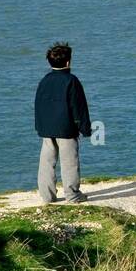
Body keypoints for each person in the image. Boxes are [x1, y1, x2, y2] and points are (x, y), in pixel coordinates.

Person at [34, 42, 92, 204]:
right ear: (68, 62)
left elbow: (38, 105)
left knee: (46, 162)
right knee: (69, 163)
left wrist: (39, 126)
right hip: (66, 128)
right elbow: (79, 107)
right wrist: (85, 128)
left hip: (46, 128)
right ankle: (72, 195)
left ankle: (47, 196)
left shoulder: (44, 80)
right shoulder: (71, 81)